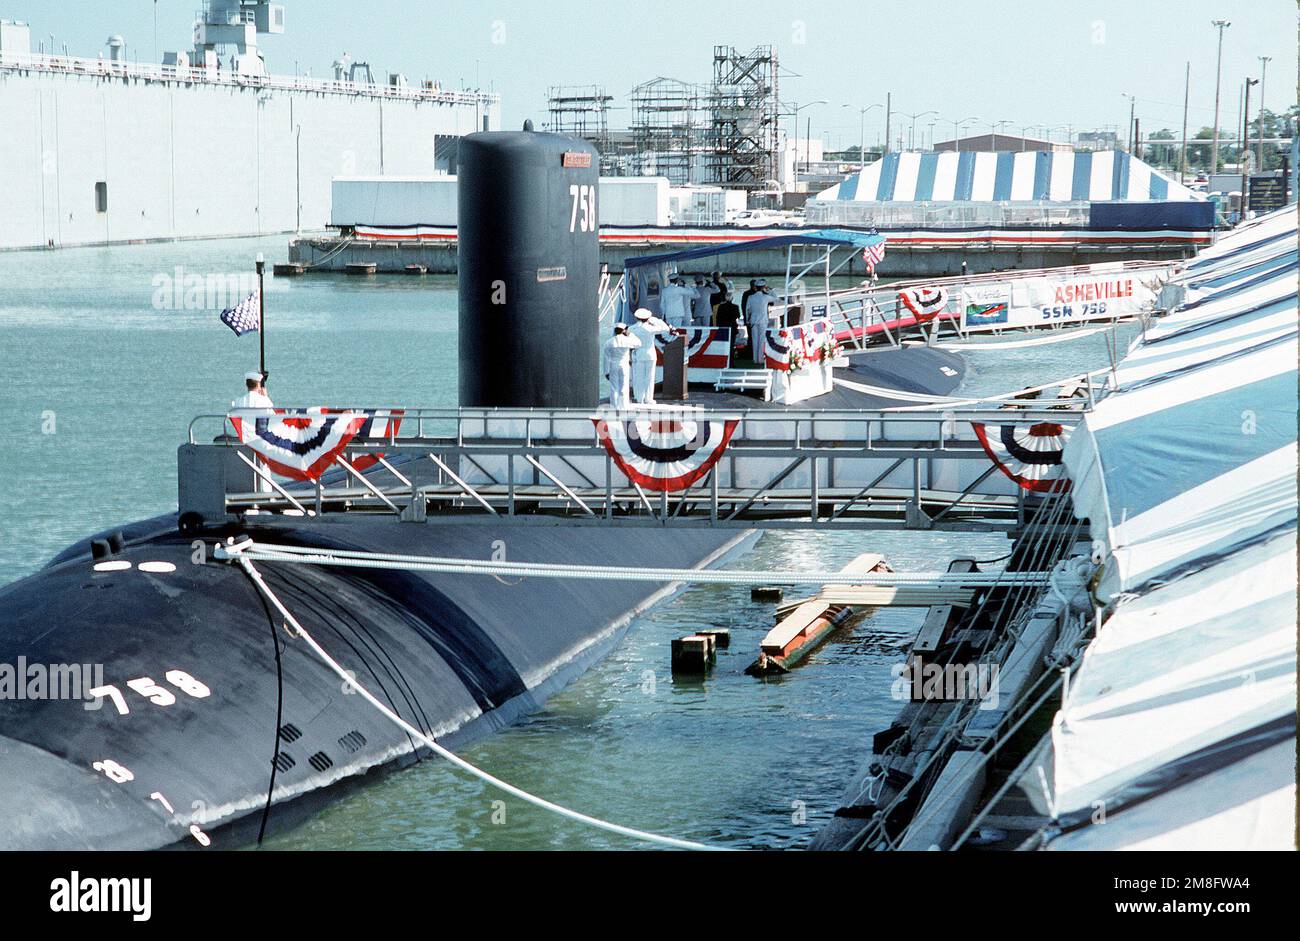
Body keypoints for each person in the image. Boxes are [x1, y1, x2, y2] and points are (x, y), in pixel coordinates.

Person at [230, 371, 274, 493]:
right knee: (264, 469)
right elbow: (271, 415)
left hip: (244, 439)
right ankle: (265, 493)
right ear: (259, 384)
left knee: (246, 468)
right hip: (259, 440)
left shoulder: (239, 401)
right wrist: (265, 396)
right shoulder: (263, 401)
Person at [628, 308, 670, 404]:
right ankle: (649, 399)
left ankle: (639, 399)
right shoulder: (650, 328)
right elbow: (666, 328)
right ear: (648, 318)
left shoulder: (631, 329)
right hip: (650, 354)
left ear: (636, 318)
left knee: (638, 377)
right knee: (650, 378)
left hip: (638, 354)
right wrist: (655, 320)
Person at [601, 323, 642, 408]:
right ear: (623, 330)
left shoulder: (609, 342)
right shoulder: (627, 340)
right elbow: (639, 343)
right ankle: (623, 406)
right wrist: (630, 334)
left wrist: (606, 372)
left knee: (614, 387)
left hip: (613, 365)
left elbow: (606, 358)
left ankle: (614, 406)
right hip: (624, 365)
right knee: (624, 386)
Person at [745, 280, 777, 364]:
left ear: (756, 287)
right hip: (763, 320)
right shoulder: (765, 297)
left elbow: (747, 309)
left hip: (753, 321)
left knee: (754, 340)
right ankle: (760, 359)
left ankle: (755, 359)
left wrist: (748, 319)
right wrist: (770, 290)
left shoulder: (750, 297)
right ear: (763, 287)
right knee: (761, 339)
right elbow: (775, 298)